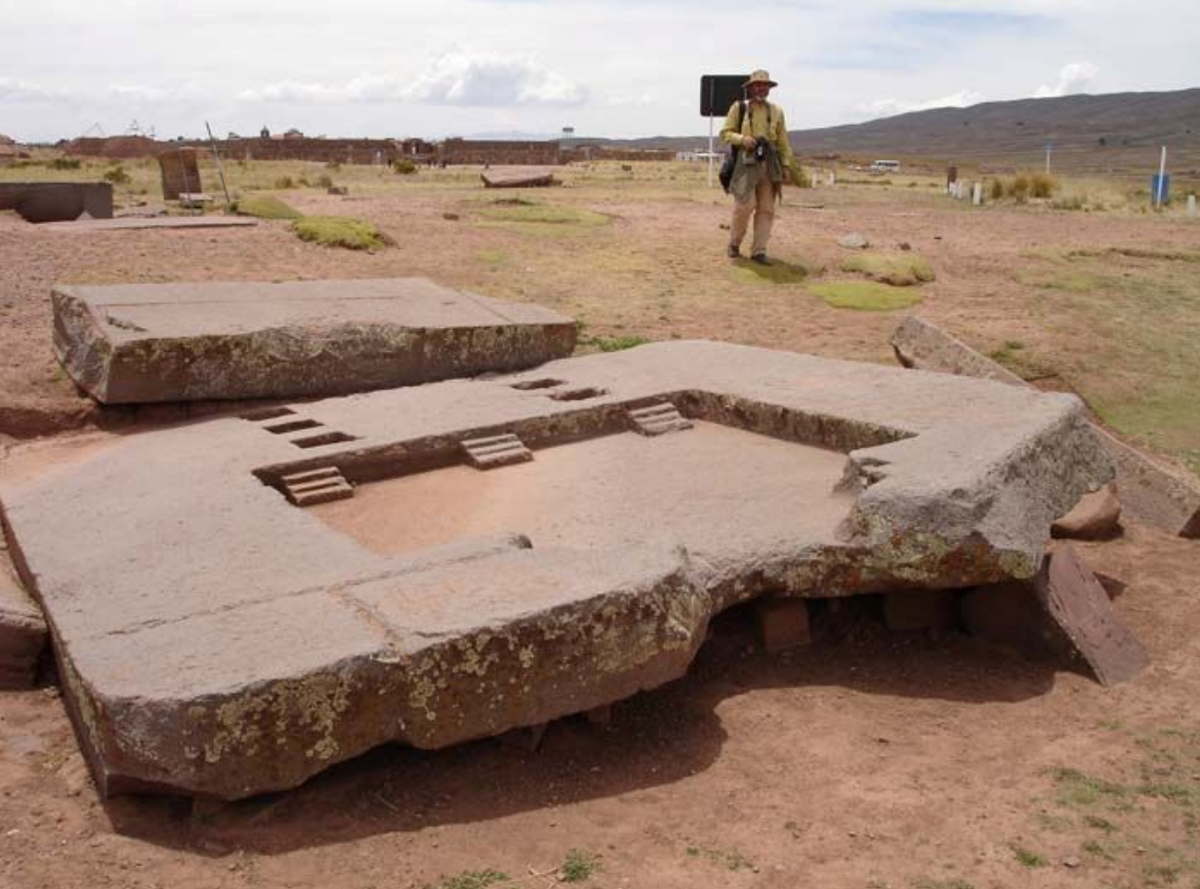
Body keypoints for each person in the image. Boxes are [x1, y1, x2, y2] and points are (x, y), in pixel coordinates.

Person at [720, 70, 796, 264]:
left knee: (766, 209)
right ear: (750, 87)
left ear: (769, 88)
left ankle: (759, 251)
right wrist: (742, 139)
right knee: (744, 206)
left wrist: (786, 165)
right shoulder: (739, 108)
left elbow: (783, 141)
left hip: (770, 164)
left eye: (765, 85)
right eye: (758, 85)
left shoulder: (777, 111)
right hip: (745, 163)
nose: (761, 88)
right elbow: (725, 133)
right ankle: (734, 243)